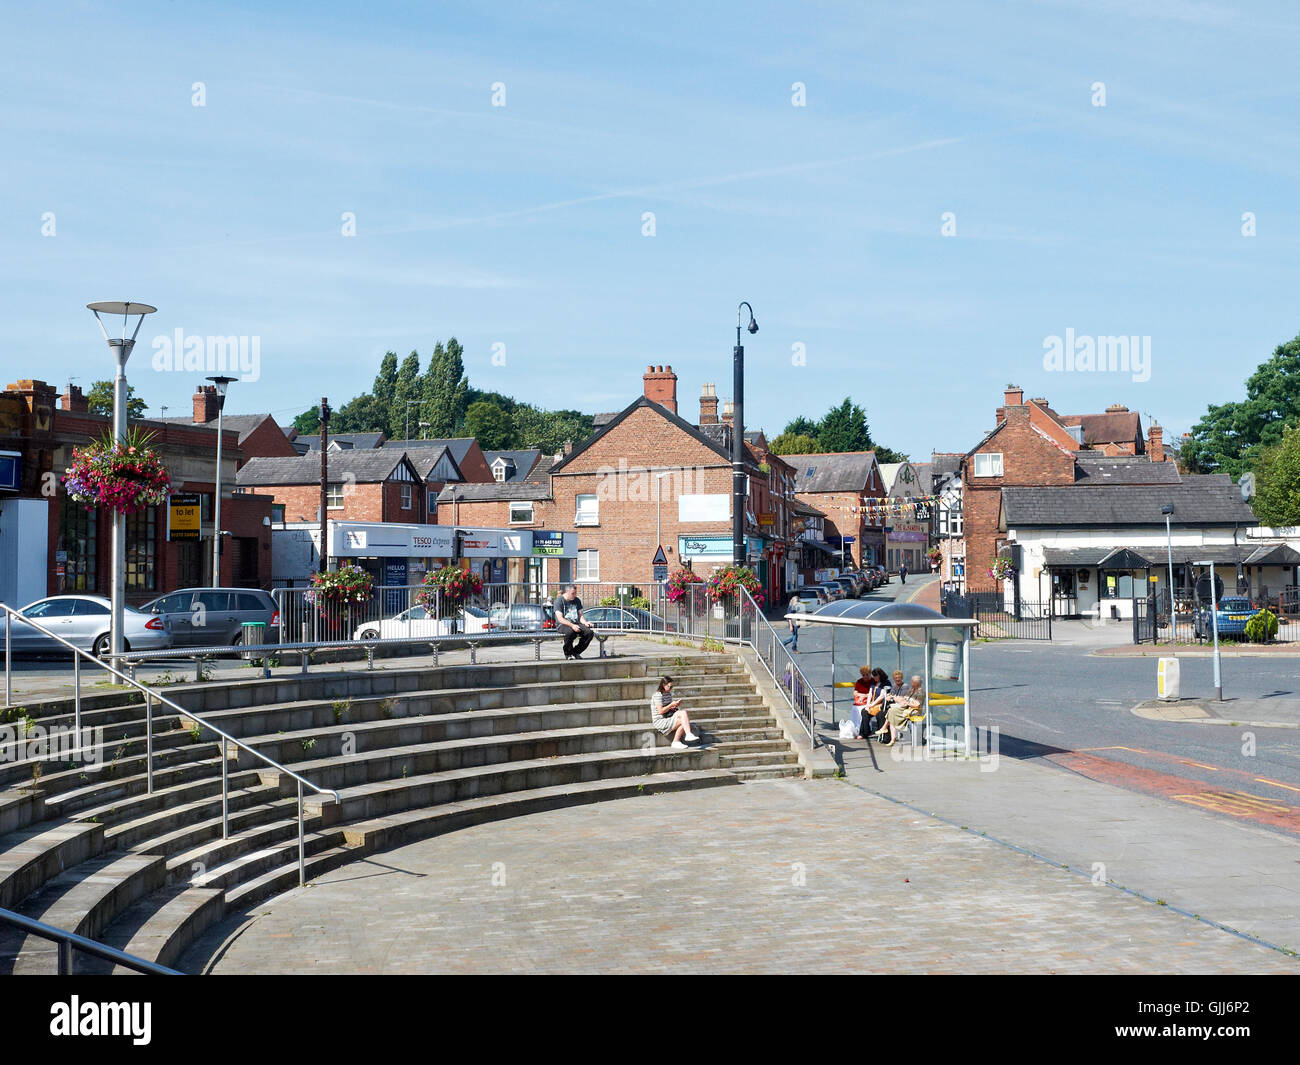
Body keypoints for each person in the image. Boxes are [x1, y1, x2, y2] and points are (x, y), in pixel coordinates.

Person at [876, 674, 925, 748]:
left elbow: (917, 705)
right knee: (891, 711)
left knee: (891, 712)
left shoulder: (920, 692)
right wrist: (895, 697)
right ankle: (891, 737)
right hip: (906, 707)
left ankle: (886, 729)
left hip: (913, 710)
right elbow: (905, 698)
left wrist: (907, 702)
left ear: (916, 683)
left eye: (912, 682)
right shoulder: (911, 690)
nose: (910, 683)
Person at [651, 676, 699, 749]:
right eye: (669, 686)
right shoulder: (657, 695)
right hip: (660, 721)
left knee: (684, 715)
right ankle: (681, 738)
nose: (671, 689)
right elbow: (661, 711)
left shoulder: (668, 694)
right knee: (684, 720)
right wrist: (671, 705)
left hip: (668, 717)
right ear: (663, 685)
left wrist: (675, 706)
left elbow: (668, 708)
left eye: (672, 687)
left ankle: (680, 739)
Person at [556, 584, 594, 659]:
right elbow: (560, 618)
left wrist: (585, 623)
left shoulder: (577, 600)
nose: (574, 595)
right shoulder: (559, 601)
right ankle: (568, 653)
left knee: (589, 633)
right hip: (563, 624)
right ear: (567, 592)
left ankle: (575, 652)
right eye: (572, 593)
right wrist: (572, 625)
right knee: (570, 632)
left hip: (576, 623)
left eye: (575, 593)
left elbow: (580, 616)